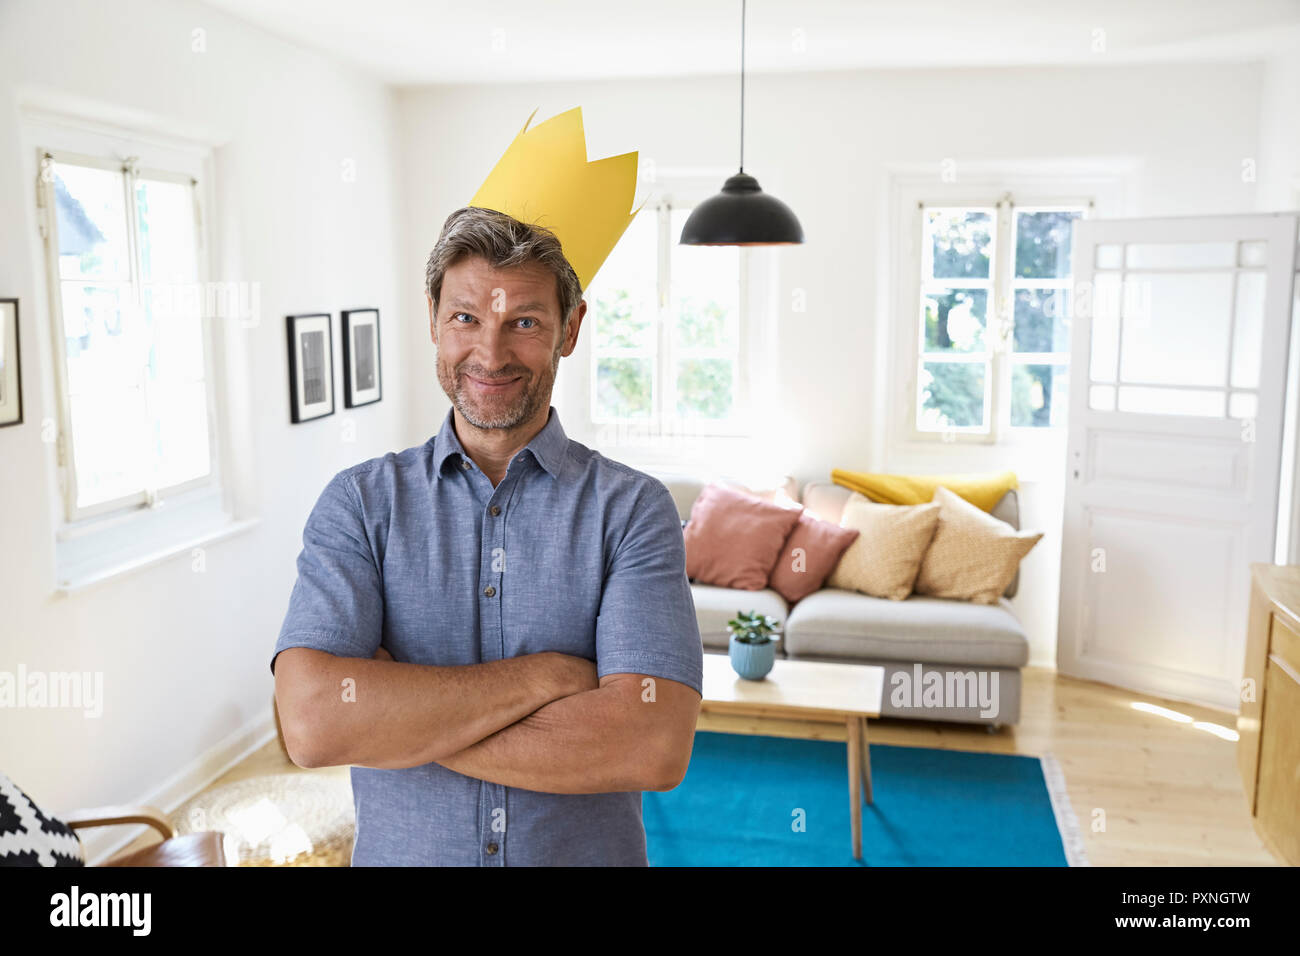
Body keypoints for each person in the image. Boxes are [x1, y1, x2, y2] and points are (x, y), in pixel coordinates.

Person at [270, 196, 704, 865]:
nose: (490, 353)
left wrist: (397, 721)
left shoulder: (633, 511)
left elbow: (650, 743)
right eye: (466, 317)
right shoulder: (359, 505)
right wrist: (544, 679)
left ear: (571, 327)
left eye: (524, 321)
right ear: (434, 321)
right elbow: (313, 722)